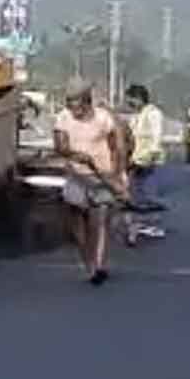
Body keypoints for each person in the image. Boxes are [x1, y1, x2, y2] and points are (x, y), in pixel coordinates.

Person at [54, 77, 127, 286]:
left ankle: (99, 265)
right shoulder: (63, 118)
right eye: (69, 103)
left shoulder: (103, 118)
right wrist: (76, 155)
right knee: (77, 223)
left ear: (86, 101)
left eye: (75, 102)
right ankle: (88, 261)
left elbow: (118, 147)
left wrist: (118, 175)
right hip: (77, 175)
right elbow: (60, 146)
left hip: (102, 176)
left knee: (100, 221)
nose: (72, 108)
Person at [124, 84, 167, 240]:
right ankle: (142, 223)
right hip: (137, 159)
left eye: (131, 100)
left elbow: (157, 138)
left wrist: (149, 158)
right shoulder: (138, 115)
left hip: (149, 160)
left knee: (149, 193)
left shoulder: (154, 114)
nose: (129, 104)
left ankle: (154, 225)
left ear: (139, 98)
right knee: (137, 194)